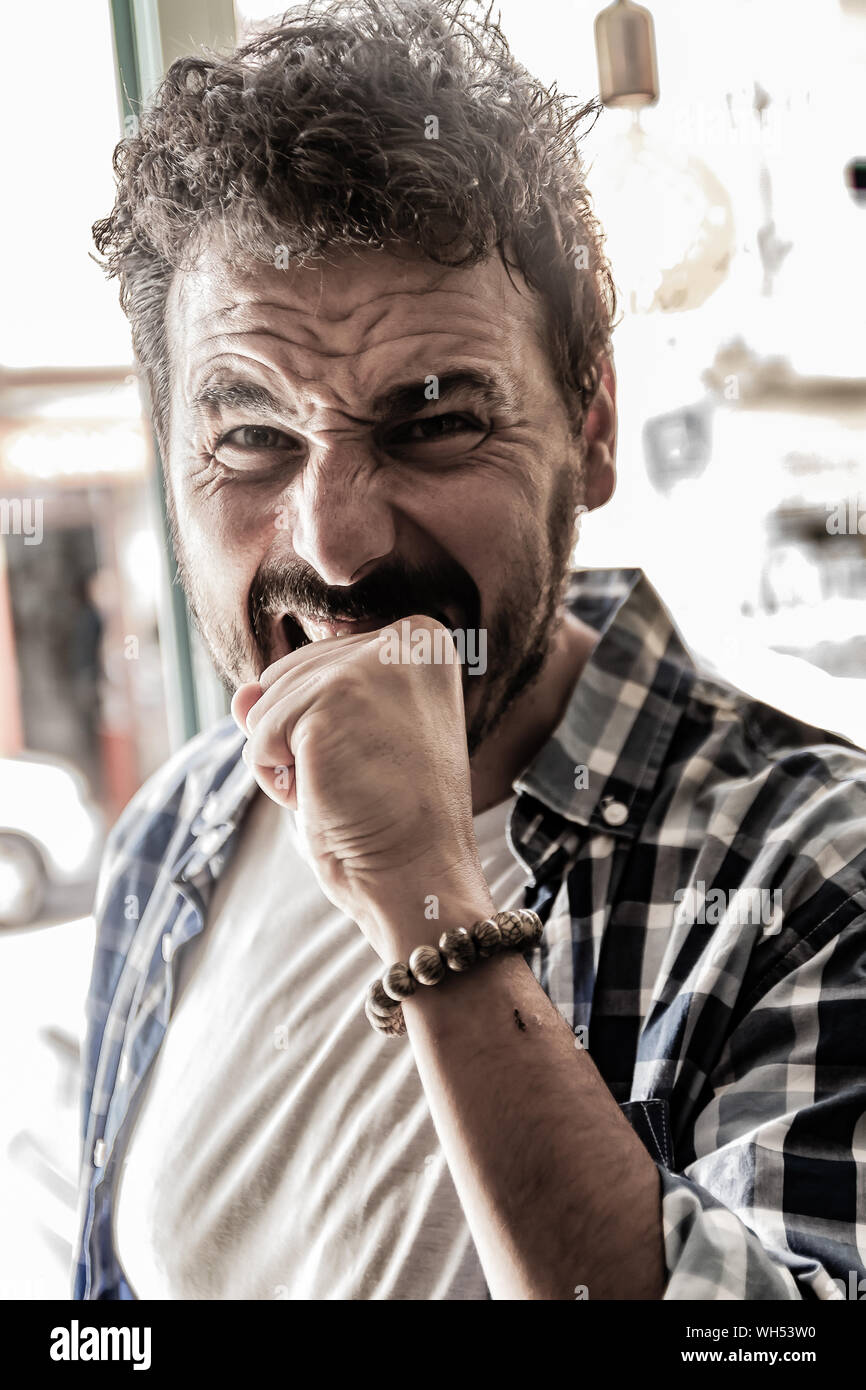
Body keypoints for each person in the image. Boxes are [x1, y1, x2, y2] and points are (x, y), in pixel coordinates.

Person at [74, 0, 866, 1301]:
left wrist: (425, 893)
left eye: (434, 421)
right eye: (253, 438)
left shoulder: (816, 871)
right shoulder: (172, 832)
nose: (335, 545)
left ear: (590, 433)